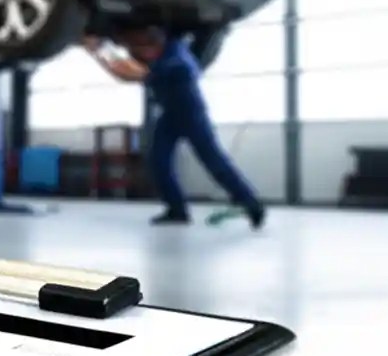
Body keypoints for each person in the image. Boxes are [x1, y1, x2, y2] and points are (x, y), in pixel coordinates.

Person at [82, 27, 266, 228]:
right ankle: (176, 210)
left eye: (139, 50)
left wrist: (95, 52)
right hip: (170, 114)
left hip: (191, 115)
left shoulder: (173, 63)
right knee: (158, 160)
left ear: (152, 46)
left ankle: (251, 203)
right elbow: (130, 60)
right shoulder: (170, 47)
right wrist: (103, 45)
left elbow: (125, 73)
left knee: (214, 162)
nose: (135, 53)